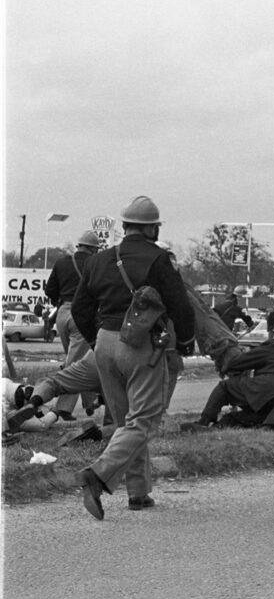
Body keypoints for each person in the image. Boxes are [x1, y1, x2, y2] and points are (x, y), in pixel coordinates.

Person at [69, 195, 196, 520]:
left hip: (104, 344)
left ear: (125, 226)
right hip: (140, 345)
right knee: (143, 420)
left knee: (127, 421)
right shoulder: (158, 260)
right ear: (153, 228)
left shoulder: (99, 260)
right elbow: (180, 306)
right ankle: (97, 475)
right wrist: (185, 341)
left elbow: (81, 308)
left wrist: (97, 340)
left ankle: (138, 494)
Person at [182, 329, 274, 431]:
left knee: (225, 387)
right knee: (236, 419)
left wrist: (228, 364)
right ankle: (221, 427)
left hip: (269, 389)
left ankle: (204, 421)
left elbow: (236, 363)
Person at [43, 229, 102, 419]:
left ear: (79, 245)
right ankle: (63, 408)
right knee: (76, 363)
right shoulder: (94, 264)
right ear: (94, 249)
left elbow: (50, 289)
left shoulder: (61, 262)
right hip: (83, 315)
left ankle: (89, 402)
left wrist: (60, 301)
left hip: (62, 313)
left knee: (79, 359)